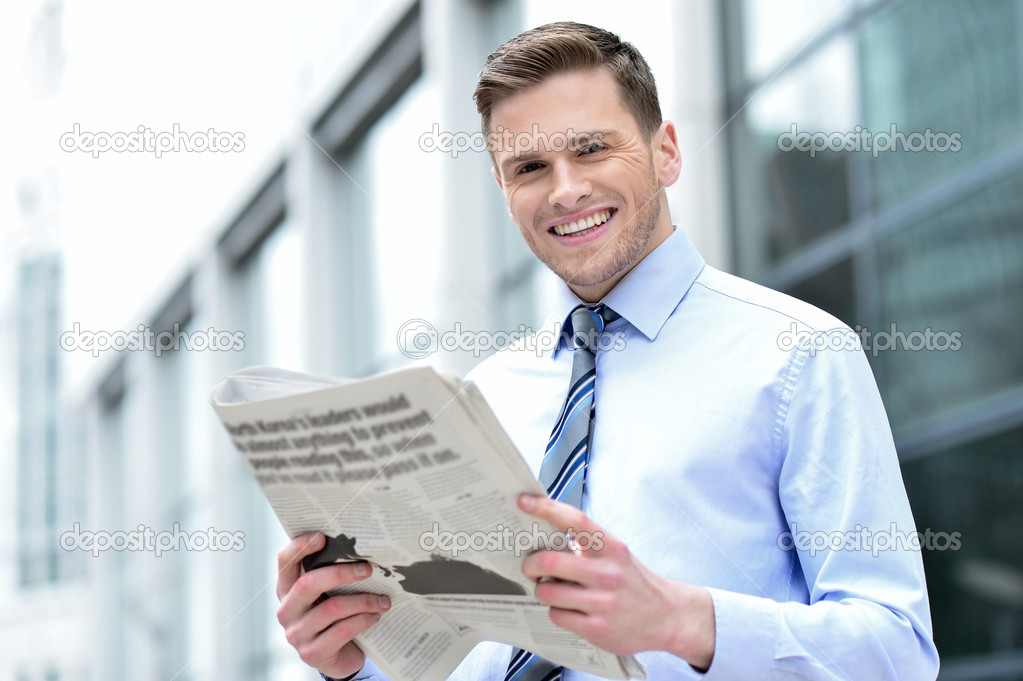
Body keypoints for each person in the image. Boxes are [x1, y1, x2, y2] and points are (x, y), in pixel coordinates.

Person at [275, 22, 940, 681]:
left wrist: (682, 620)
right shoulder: (484, 396)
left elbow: (899, 654)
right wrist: (351, 664)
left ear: (666, 152)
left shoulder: (799, 354)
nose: (565, 189)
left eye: (591, 149)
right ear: (505, 193)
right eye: (529, 167)